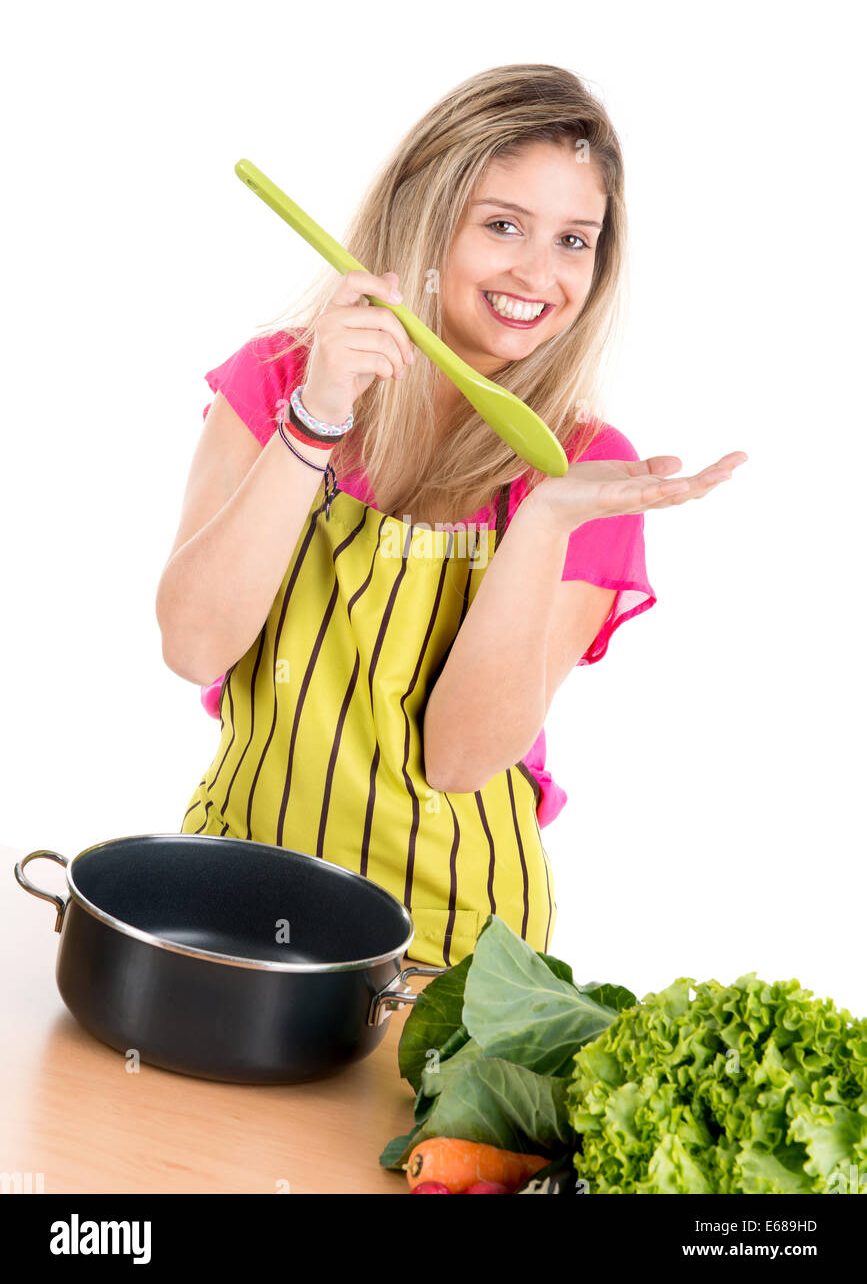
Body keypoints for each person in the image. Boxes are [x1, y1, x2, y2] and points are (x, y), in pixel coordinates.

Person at [156, 63, 747, 967]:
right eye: (503, 225)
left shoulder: (582, 469)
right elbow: (194, 644)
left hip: (445, 947)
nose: (537, 274)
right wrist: (315, 420)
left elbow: (462, 758)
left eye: (573, 241)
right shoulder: (281, 378)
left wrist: (542, 526)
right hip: (230, 891)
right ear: (426, 221)